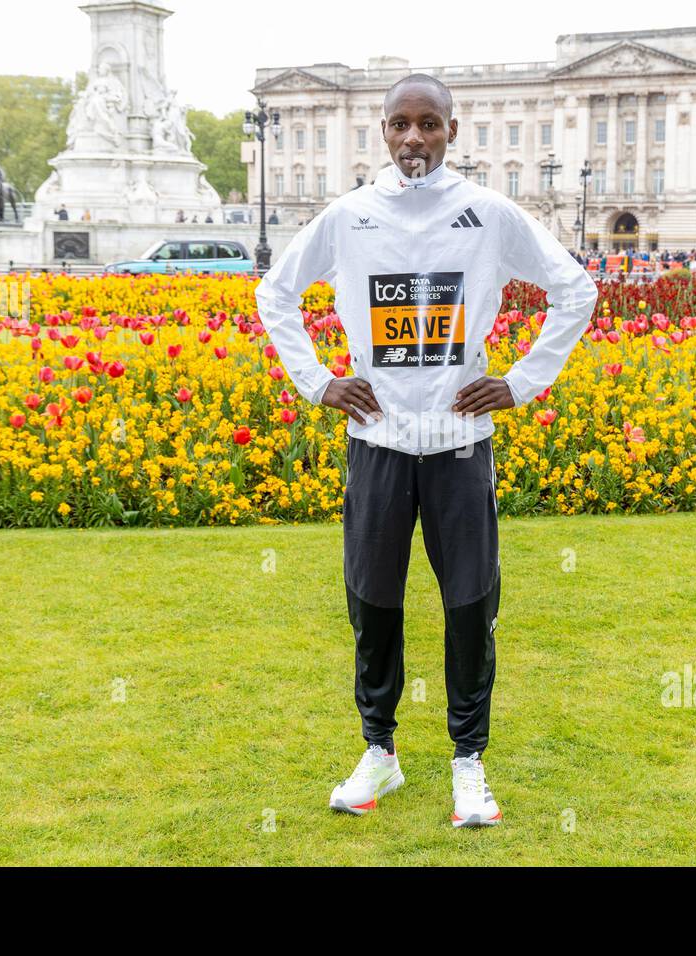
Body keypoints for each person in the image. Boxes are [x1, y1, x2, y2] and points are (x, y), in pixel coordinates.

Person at [255, 73, 596, 828]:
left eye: (429, 125)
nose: (414, 138)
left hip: (458, 445)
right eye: (401, 125)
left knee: (469, 605)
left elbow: (576, 290)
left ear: (450, 129)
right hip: (377, 444)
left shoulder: (488, 213)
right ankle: (380, 752)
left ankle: (468, 762)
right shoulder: (349, 217)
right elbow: (274, 293)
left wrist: (522, 382)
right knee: (373, 604)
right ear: (382, 131)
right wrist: (317, 382)